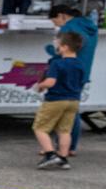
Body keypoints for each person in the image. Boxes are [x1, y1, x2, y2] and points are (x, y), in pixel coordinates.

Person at [44, 4, 98, 155]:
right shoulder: (89, 26)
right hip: (81, 72)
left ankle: (59, 147)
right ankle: (70, 147)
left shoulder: (68, 28)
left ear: (62, 15)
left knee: (61, 111)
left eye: (55, 20)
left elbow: (61, 51)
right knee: (73, 110)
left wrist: (49, 50)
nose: (55, 24)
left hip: (64, 73)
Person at [32, 31, 85, 169]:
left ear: (65, 47)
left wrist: (40, 85)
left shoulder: (57, 63)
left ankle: (50, 155)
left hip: (55, 99)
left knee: (40, 128)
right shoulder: (80, 64)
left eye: (59, 45)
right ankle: (63, 157)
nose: (57, 47)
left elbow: (50, 82)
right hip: (73, 100)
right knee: (64, 131)